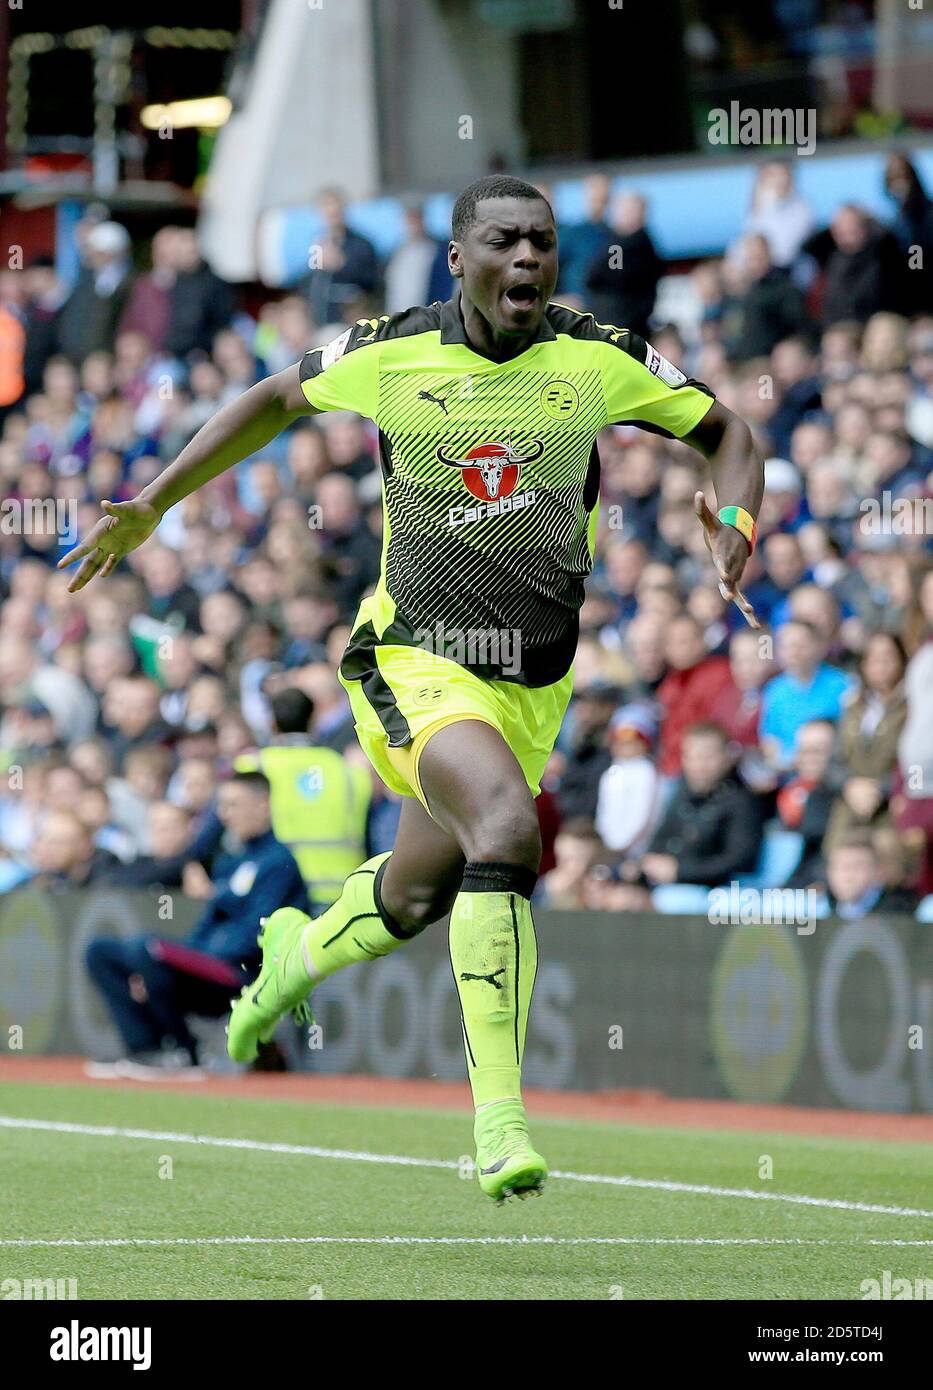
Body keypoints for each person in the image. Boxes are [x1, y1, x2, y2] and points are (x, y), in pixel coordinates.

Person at [61, 173, 764, 1203]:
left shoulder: (597, 359)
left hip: (534, 684)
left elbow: (731, 435)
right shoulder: (387, 351)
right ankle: (498, 1120)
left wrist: (735, 529)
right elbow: (268, 401)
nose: (527, 259)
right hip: (413, 659)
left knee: (418, 892)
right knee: (508, 829)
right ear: (458, 258)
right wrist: (155, 504)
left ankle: (286, 964)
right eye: (505, 242)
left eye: (542, 242)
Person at [85, 771, 308, 1076]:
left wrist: (190, 960)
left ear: (263, 805)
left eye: (234, 805)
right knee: (101, 951)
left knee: (148, 949)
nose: (225, 815)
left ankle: (186, 1053)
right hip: (209, 967)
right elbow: (207, 924)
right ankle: (147, 1050)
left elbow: (254, 937)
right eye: (223, 806)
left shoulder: (278, 862)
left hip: (244, 976)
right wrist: (185, 960)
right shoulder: (230, 860)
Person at [235, 686, 371, 911]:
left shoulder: (250, 767)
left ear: (272, 723)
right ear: (313, 720)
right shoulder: (351, 772)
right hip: (342, 898)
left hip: (275, 892)